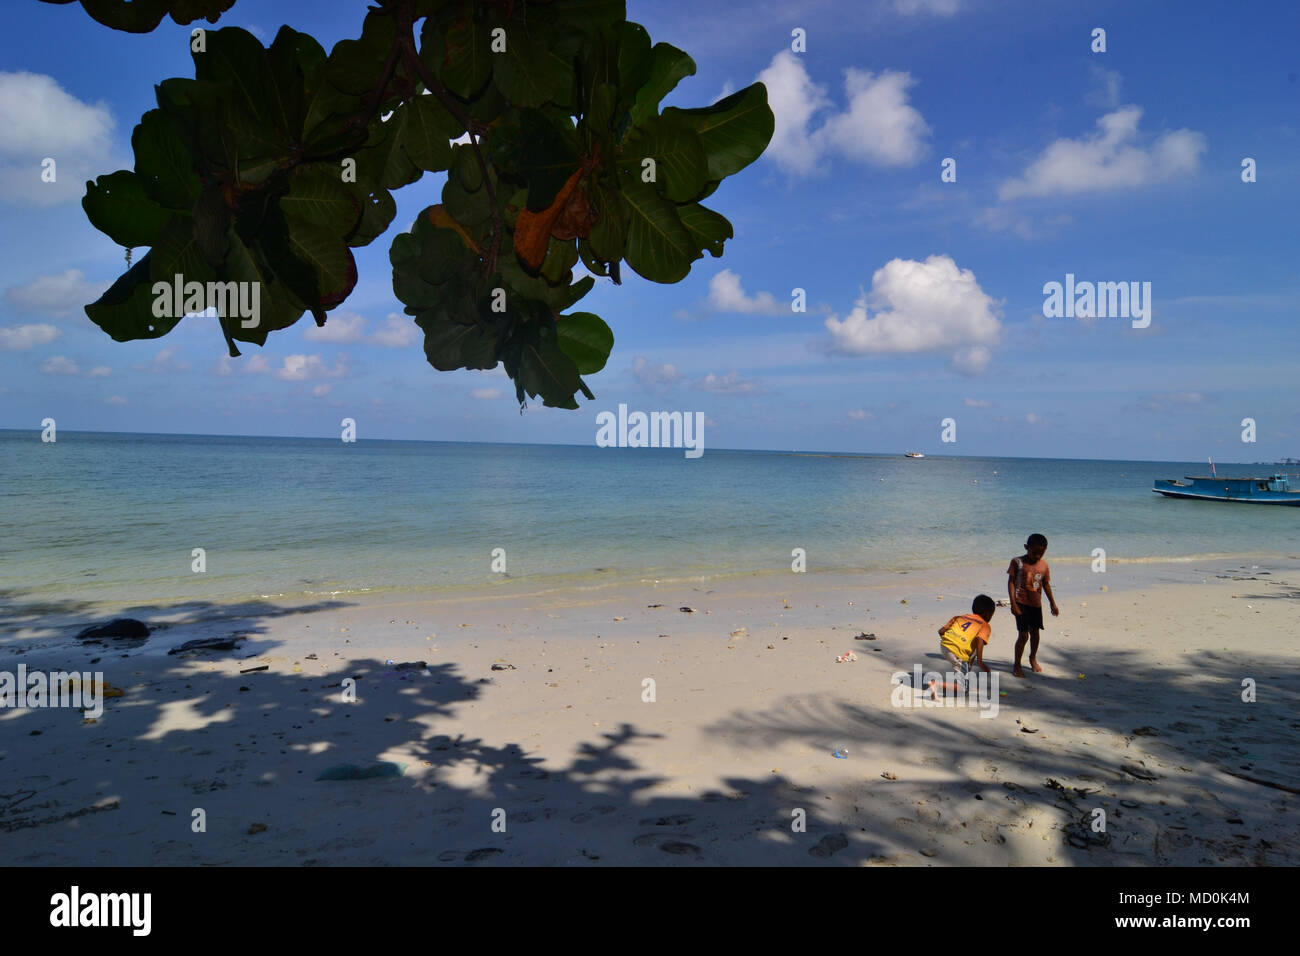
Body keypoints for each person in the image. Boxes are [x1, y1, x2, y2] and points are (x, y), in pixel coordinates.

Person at [1008, 533, 1059, 677]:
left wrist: (1052, 604)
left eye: (1041, 553)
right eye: (1035, 552)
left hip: (1036, 604)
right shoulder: (1017, 562)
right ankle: (1017, 664)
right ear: (1026, 547)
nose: (1038, 556)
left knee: (1035, 633)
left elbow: (1046, 584)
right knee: (1023, 635)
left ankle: (1032, 658)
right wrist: (1013, 603)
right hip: (1020, 602)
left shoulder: (1044, 565)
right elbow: (1011, 582)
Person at [929, 594, 995, 699]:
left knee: (967, 660)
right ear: (987, 614)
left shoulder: (960, 617)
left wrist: (952, 641)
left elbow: (941, 631)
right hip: (958, 652)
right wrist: (980, 662)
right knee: (963, 691)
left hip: (944, 646)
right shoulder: (985, 626)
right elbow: (979, 641)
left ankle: (964, 679)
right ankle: (937, 685)